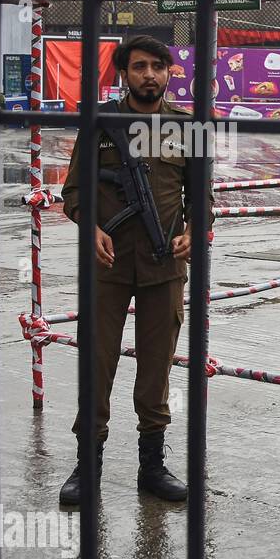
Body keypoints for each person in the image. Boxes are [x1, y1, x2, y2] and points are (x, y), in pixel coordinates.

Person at [58, 34, 209, 506]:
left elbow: (202, 195)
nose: (149, 74)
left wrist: (195, 230)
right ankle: (88, 468)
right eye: (139, 66)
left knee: (156, 370)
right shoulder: (100, 124)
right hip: (108, 267)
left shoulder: (189, 127)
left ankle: (152, 466)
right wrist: (91, 228)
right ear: (123, 73)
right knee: (96, 364)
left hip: (165, 268)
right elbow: (75, 192)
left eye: (157, 66)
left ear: (168, 73)